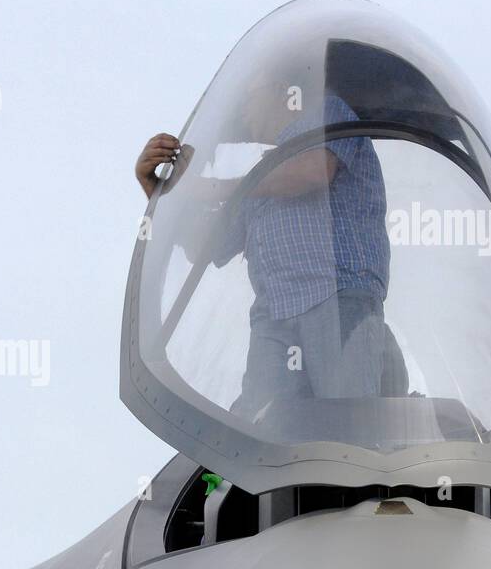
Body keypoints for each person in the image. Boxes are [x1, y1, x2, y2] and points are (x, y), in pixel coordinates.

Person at [135, 86, 391, 421]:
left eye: (250, 97)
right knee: (254, 430)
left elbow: (314, 172)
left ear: (284, 93)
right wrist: (162, 193)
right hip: (275, 320)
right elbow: (205, 245)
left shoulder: (329, 112)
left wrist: (213, 187)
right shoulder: (264, 175)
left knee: (349, 428)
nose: (243, 111)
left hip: (337, 300)